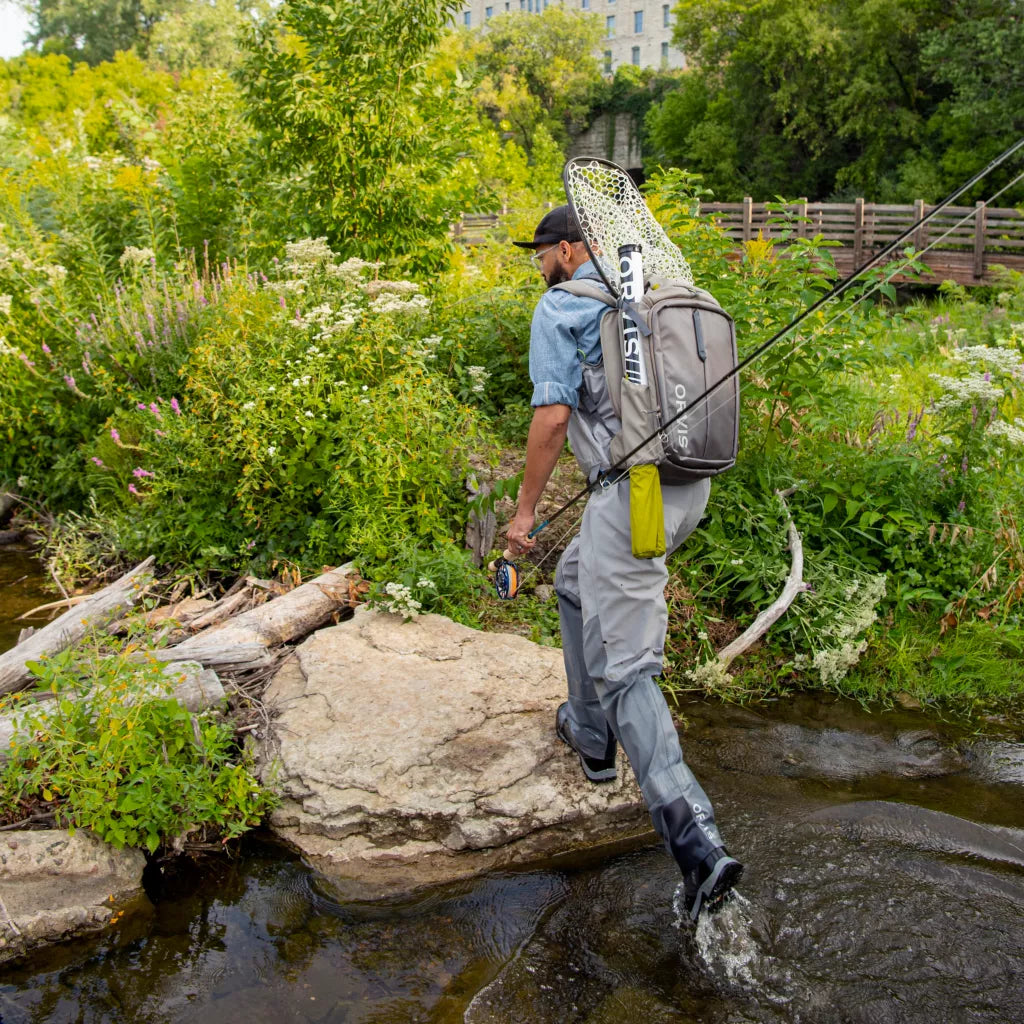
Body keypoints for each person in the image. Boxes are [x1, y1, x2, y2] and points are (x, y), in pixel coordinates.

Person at [507, 205, 743, 921]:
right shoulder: (647, 290)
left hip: (635, 495)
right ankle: (590, 734)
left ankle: (696, 844)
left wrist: (523, 516)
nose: (537, 261)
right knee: (576, 580)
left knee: (627, 663)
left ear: (572, 249)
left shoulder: (559, 307)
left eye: (543, 249)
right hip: (687, 487)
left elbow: (551, 419)